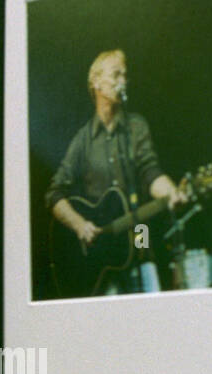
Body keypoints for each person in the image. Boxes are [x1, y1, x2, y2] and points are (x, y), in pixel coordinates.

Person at [46, 50, 186, 295]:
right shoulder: (83, 140)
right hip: (103, 259)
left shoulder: (136, 126)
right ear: (96, 82)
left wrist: (172, 192)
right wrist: (79, 225)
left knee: (148, 297)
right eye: (116, 74)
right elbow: (54, 194)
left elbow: (150, 172)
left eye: (125, 75)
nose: (123, 80)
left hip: (139, 236)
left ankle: (142, 260)